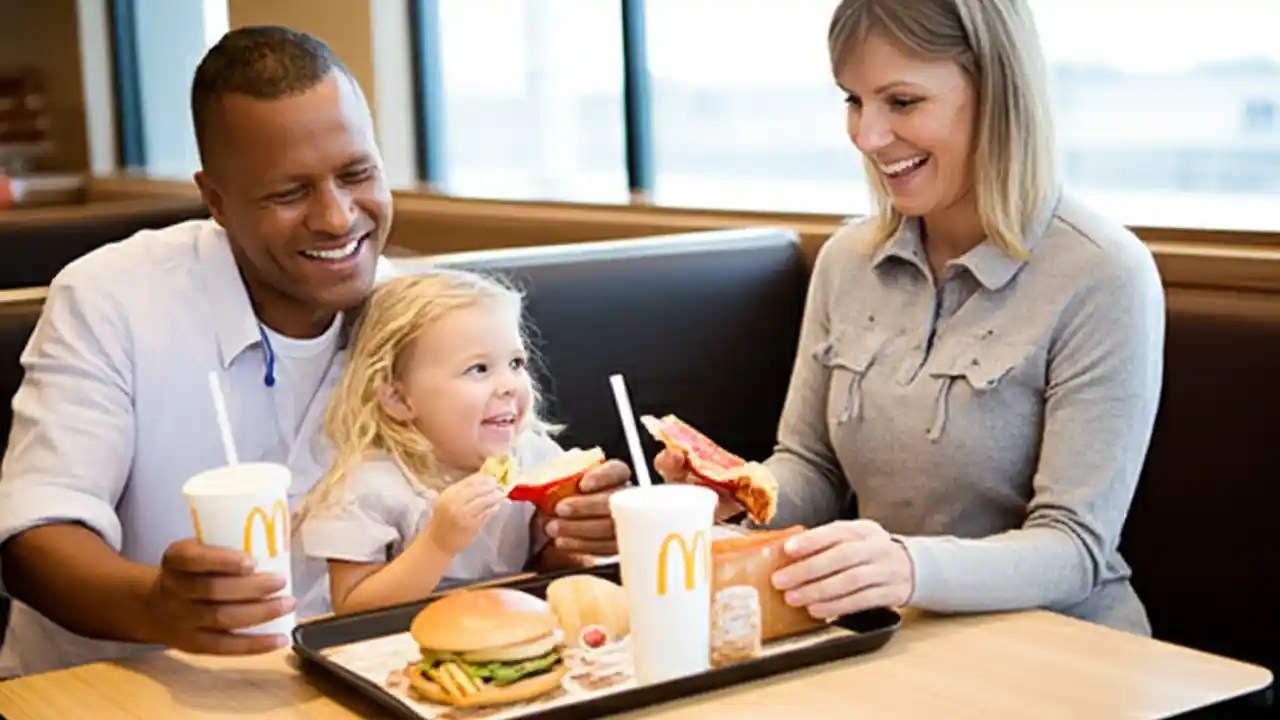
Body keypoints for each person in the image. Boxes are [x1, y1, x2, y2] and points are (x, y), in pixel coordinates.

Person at [0, 26, 624, 677]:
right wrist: (157, 605)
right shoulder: (111, 299)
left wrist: (561, 538)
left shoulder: (419, 319)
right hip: (112, 689)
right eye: (290, 193)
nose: (335, 218)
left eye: (357, 175)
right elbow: (34, 540)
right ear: (215, 200)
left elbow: (471, 550)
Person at [657, 0, 1163, 635]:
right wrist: (740, 496)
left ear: (997, 92)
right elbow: (811, 467)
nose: (867, 136)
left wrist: (907, 566)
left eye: (901, 102)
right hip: (901, 637)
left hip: (1070, 647)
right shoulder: (847, 261)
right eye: (852, 100)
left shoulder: (1104, 272)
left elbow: (1075, 547)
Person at [299, 271, 620, 615]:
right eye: (478, 369)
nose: (509, 385)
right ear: (399, 398)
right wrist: (438, 543)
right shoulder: (364, 488)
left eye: (515, 363)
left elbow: (542, 564)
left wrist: (563, 536)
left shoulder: (532, 456)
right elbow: (351, 606)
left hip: (499, 630)